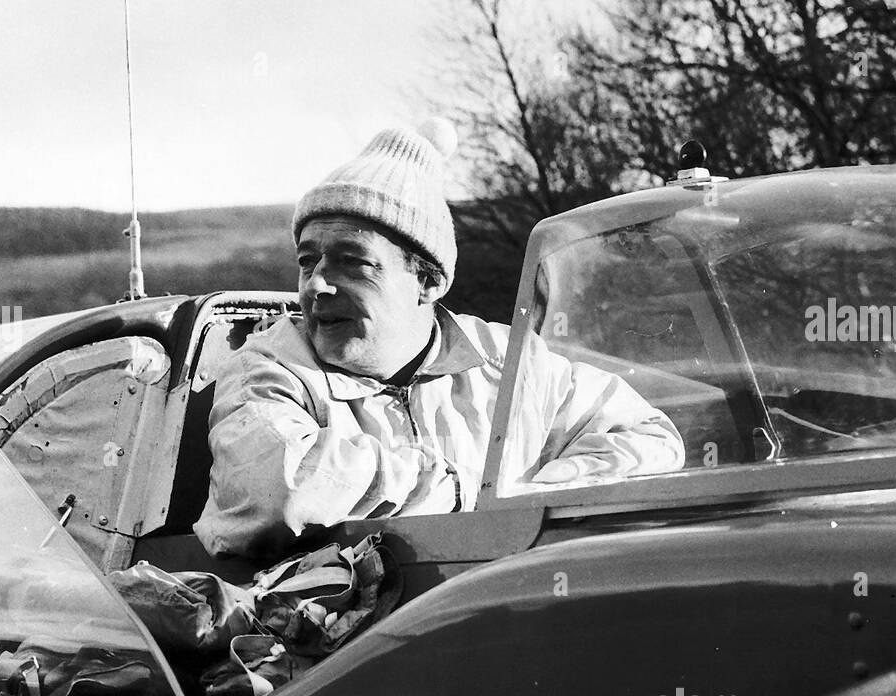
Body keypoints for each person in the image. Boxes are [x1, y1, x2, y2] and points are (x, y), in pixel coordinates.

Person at [194, 118, 685, 559]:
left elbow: (651, 438)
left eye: (352, 261)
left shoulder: (508, 363)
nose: (317, 284)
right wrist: (461, 493)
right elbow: (279, 487)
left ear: (427, 281)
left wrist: (541, 494)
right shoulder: (266, 367)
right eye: (308, 260)